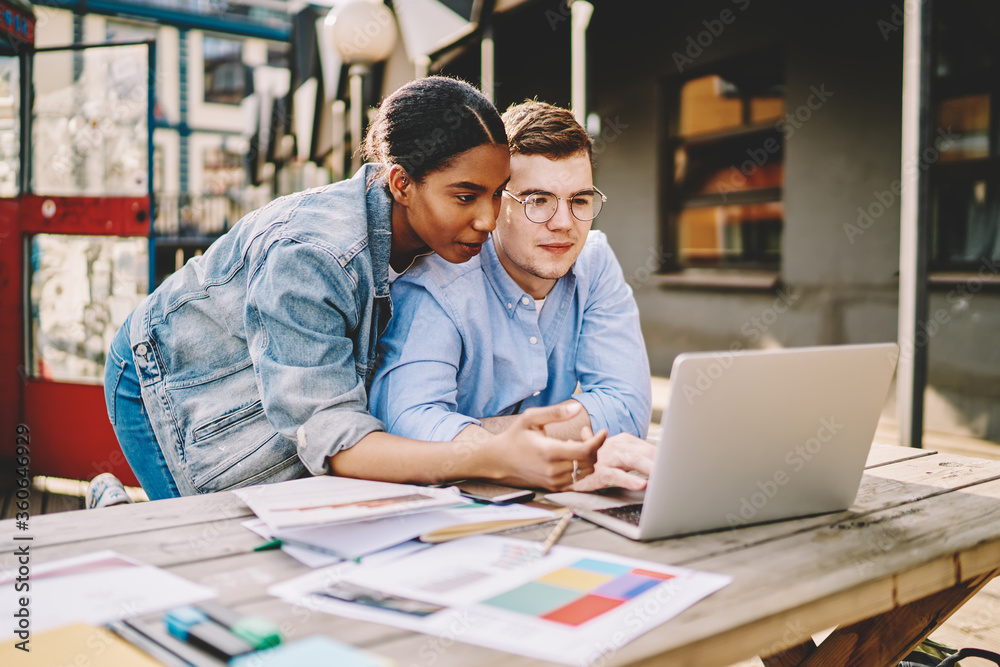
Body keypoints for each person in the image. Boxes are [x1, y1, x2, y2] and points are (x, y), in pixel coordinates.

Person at [104, 78, 604, 500]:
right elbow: (334, 438)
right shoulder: (312, 257)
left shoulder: (439, 233)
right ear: (402, 183)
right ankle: (113, 516)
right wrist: (487, 456)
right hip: (160, 371)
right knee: (216, 526)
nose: (487, 219)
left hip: (265, 364)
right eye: (466, 196)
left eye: (497, 195)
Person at [370, 100, 655, 492]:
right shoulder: (438, 282)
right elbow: (408, 424)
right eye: (538, 200)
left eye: (580, 200)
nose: (564, 224)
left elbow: (627, 408)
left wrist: (485, 438)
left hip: (555, 503)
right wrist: (552, 447)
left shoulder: (594, 263)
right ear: (497, 201)